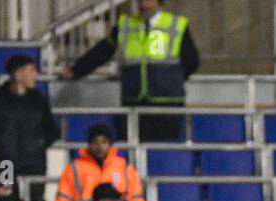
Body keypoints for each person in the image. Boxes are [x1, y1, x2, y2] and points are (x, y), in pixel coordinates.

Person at [60, 0, 200, 142]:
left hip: (167, 104)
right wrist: (76, 70)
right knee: (133, 147)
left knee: (164, 150)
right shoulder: (125, 24)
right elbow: (102, 51)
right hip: (134, 99)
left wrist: (170, 80)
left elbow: (192, 61)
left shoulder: (176, 24)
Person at [0, 54, 58, 201]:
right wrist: (1, 147)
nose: (36, 75)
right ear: (18, 73)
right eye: (32, 70)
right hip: (5, 162)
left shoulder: (39, 100)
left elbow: (52, 130)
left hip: (35, 162)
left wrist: (39, 145)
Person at [51, 124, 149, 201]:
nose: (99, 146)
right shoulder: (74, 169)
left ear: (110, 144)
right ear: (89, 144)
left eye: (104, 142)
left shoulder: (125, 169)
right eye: (95, 142)